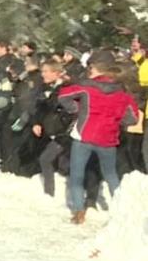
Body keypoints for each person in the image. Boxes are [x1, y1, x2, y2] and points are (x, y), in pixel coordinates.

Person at [58, 59, 142, 224]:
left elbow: (63, 95)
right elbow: (133, 119)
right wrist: (118, 120)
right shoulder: (124, 95)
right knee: (110, 174)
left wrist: (76, 109)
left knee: (77, 174)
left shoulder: (88, 87)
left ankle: (79, 211)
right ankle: (121, 209)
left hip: (84, 135)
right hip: (108, 139)